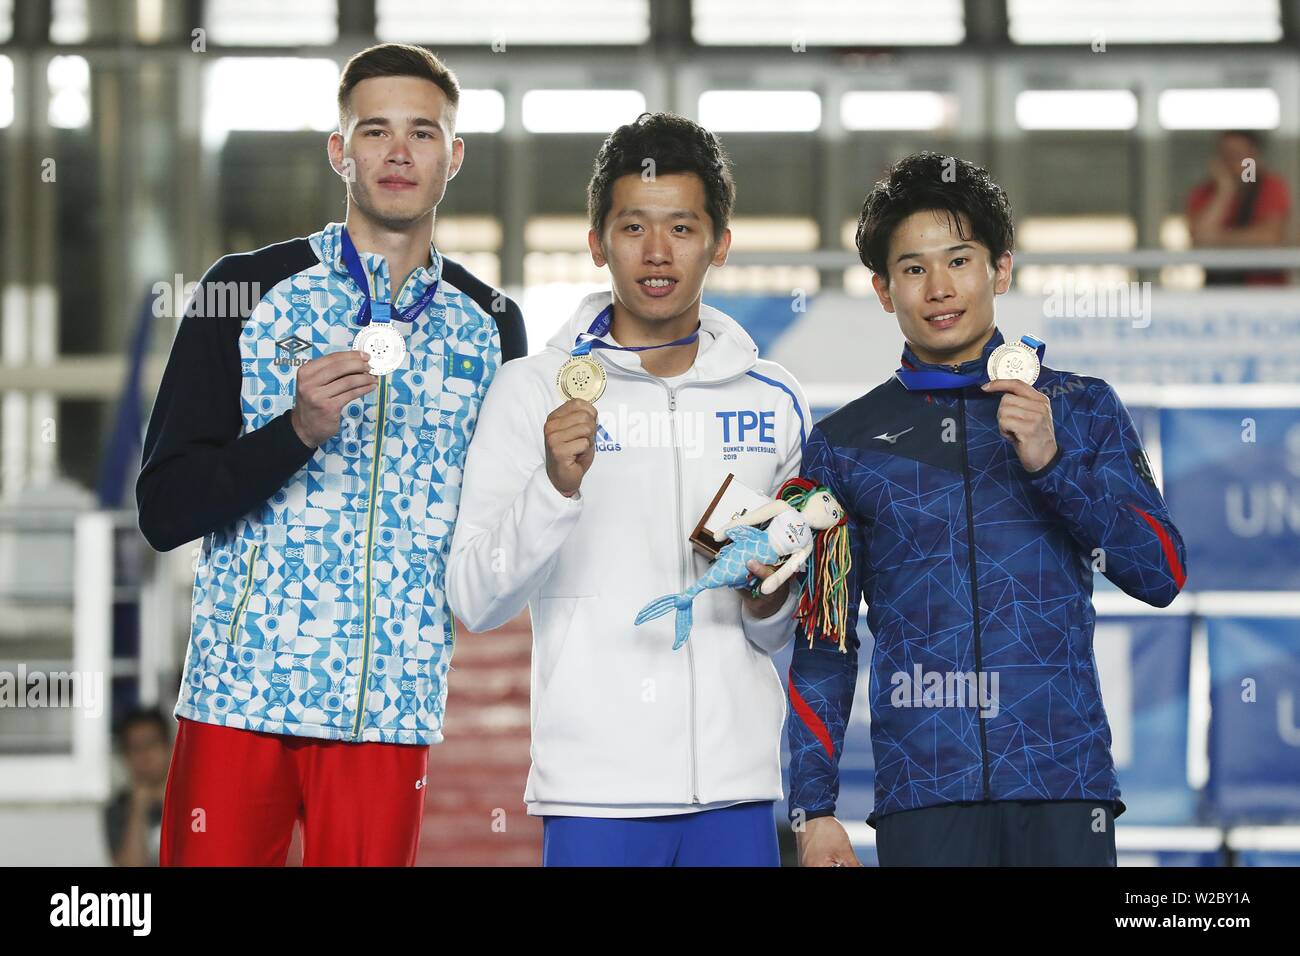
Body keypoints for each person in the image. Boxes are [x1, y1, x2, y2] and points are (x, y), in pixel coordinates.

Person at [136, 42, 525, 866]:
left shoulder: (491, 325)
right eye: (374, 130)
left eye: (422, 133)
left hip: (388, 711)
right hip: (239, 698)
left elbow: (500, 530)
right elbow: (164, 509)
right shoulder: (244, 290)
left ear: (454, 156)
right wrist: (296, 432)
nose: (397, 152)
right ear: (338, 151)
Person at [789, 152, 1188, 867]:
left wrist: (1053, 465)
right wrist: (813, 809)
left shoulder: (1080, 407)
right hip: (925, 795)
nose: (939, 288)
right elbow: (825, 639)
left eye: (959, 260)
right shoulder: (844, 444)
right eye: (913, 269)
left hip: (1063, 783)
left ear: (1000, 270)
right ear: (882, 289)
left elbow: (1160, 574)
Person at [445, 112, 810, 866]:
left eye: (682, 228)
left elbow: (777, 630)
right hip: (593, 797)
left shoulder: (775, 398)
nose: (657, 252)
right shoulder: (531, 390)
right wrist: (554, 488)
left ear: (720, 243)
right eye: (633, 227)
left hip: (734, 791)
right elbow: (475, 599)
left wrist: (766, 597)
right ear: (596, 243)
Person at [1186, 129, 1293, 285]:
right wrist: (1224, 191)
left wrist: (1215, 238)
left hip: (1265, 289)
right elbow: (1199, 239)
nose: (1231, 162)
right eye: (1225, 156)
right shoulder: (1204, 192)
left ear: (1254, 157)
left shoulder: (1271, 186)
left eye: (1238, 155)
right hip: (1218, 288)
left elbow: (1269, 238)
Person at [104, 707, 171, 867]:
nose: (145, 755)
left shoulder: (194, 798)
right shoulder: (118, 808)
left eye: (151, 744)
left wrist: (171, 802)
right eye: (135, 748)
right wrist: (138, 809)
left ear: (169, 747)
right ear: (125, 757)